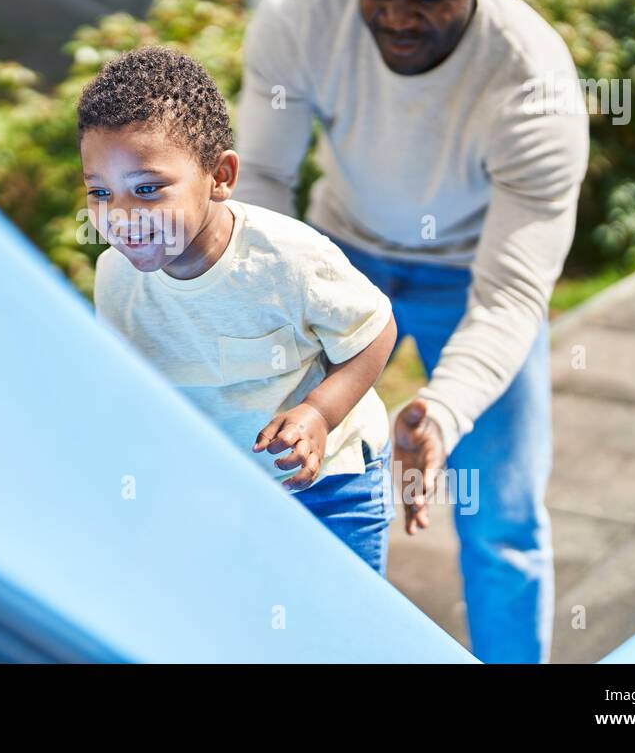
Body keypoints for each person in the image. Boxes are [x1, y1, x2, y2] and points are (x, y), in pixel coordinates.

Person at [232, 0, 589, 662]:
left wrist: (443, 412)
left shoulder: (535, 84)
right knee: (294, 477)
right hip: (339, 254)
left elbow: (510, 297)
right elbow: (260, 176)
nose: (396, 17)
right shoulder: (301, 16)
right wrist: (266, 309)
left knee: (502, 518)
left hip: (473, 275)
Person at [80, 45, 400, 574]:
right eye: (99, 192)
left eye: (147, 189)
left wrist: (319, 414)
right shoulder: (115, 277)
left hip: (331, 483)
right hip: (221, 488)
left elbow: (374, 330)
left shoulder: (288, 259)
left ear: (221, 176)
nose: (121, 216)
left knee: (342, 633)